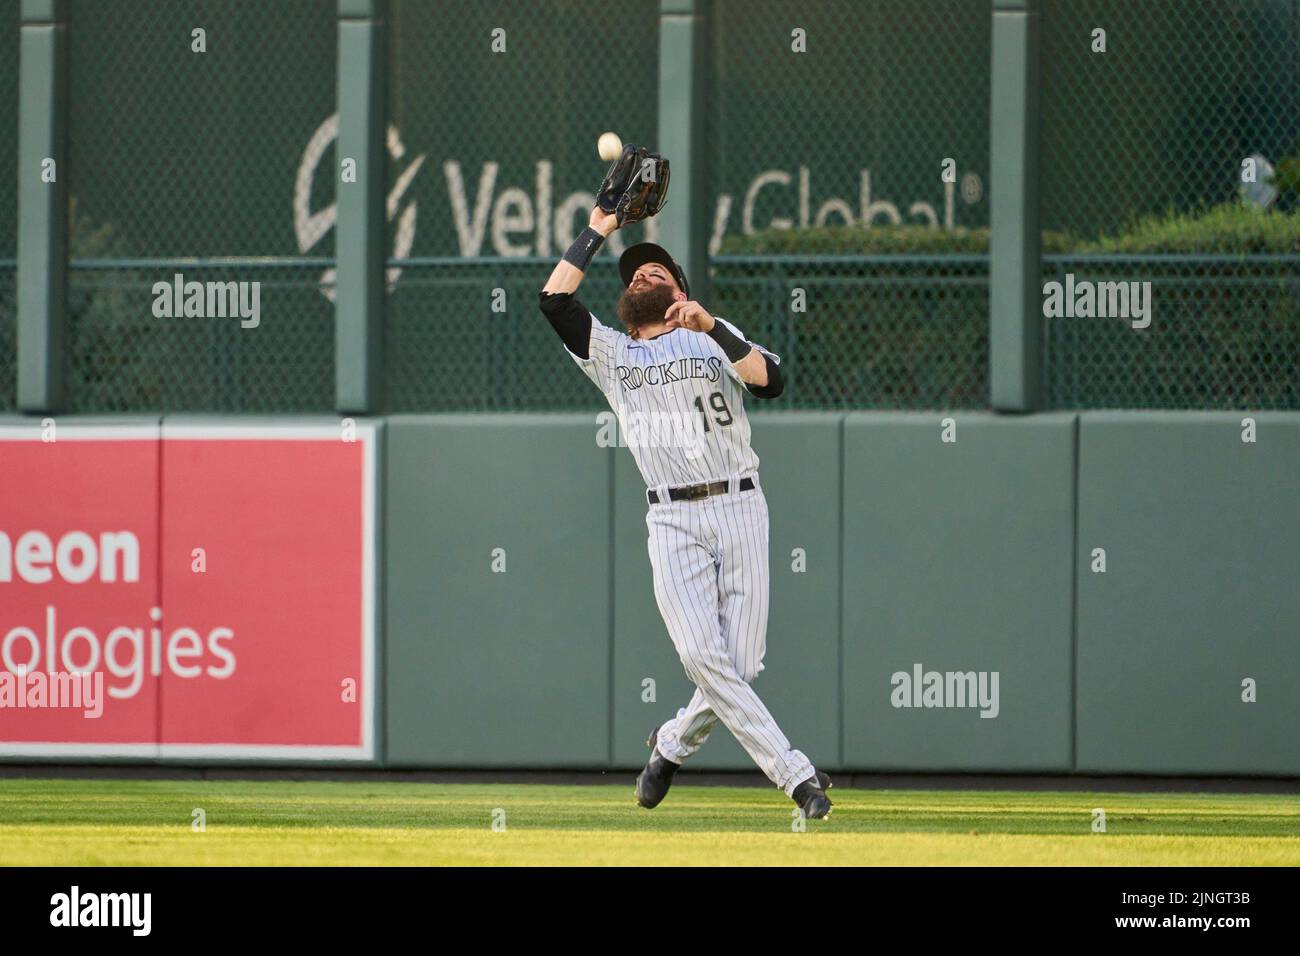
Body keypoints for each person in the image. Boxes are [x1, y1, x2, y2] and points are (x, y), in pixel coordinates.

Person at [536, 205, 832, 819]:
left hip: (741, 504)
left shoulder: (714, 336)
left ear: (681, 289)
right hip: (672, 521)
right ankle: (796, 778)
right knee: (704, 657)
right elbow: (554, 300)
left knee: (741, 664)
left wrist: (713, 326)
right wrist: (600, 225)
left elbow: (772, 379)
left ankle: (670, 744)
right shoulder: (612, 355)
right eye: (634, 275)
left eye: (656, 271)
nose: (641, 277)